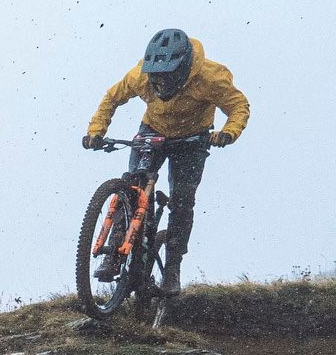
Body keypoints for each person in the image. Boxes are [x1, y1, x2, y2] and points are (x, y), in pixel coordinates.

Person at [84, 29, 250, 295]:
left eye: (166, 78)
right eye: (155, 78)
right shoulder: (140, 77)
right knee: (133, 184)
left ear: (183, 70)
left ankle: (172, 267)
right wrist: (96, 131)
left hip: (192, 140)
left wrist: (228, 132)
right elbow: (111, 98)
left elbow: (238, 105)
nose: (159, 84)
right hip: (153, 129)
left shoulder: (210, 77)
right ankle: (114, 253)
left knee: (182, 200)